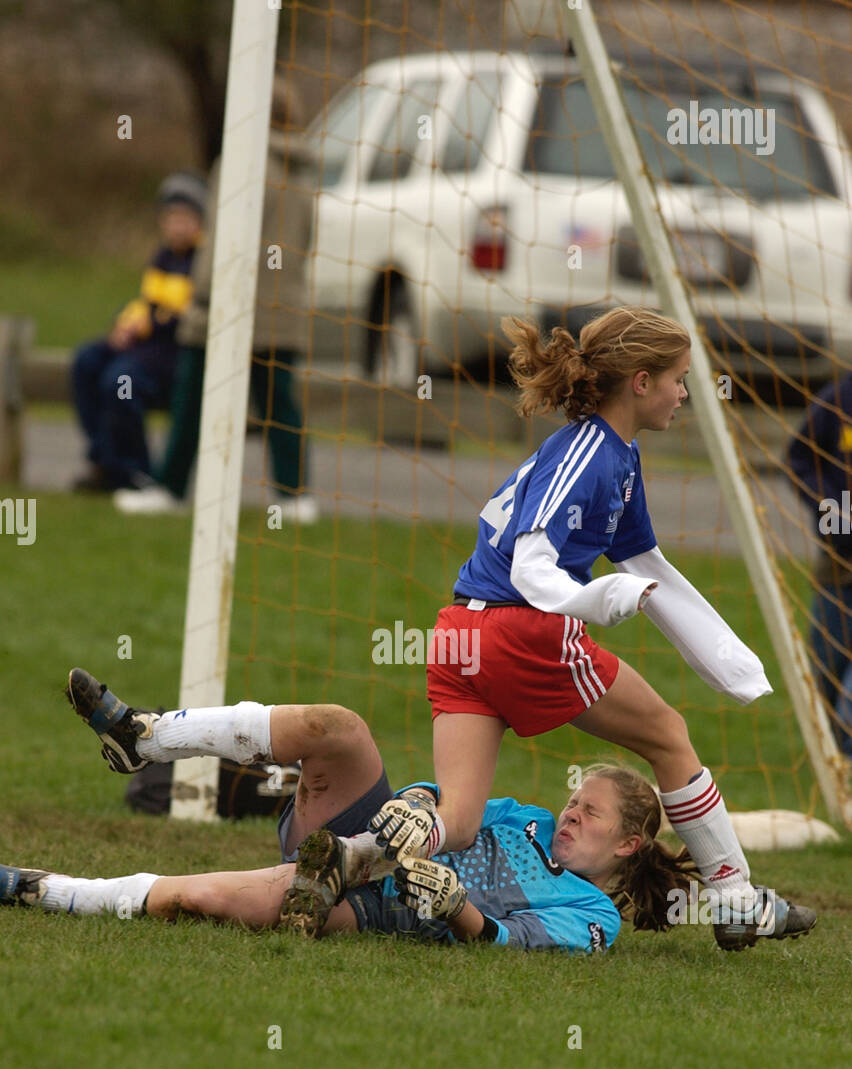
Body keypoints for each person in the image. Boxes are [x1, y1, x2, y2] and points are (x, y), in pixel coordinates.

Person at [365, 307, 817, 943]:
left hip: (459, 633)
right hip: (519, 633)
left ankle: (354, 856)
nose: (684, 393)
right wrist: (592, 599)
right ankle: (736, 899)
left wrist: (727, 660)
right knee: (667, 734)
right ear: (639, 381)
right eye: (678, 379)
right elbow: (533, 560)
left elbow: (646, 566)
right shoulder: (591, 455)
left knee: (458, 820)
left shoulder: (616, 456)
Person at [0, 669, 815, 952]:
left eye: (590, 815)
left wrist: (453, 904)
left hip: (380, 909)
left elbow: (511, 942)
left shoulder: (590, 913)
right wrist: (419, 804)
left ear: (634, 844)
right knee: (339, 730)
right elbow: (448, 804)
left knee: (203, 897)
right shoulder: (524, 818)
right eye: (573, 803)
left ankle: (40, 888)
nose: (568, 817)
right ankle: (148, 736)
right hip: (363, 836)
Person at [114, 76, 318, 522]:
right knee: (279, 404)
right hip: (283, 306)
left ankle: (169, 487)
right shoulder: (305, 168)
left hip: (227, 305)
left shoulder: (240, 160)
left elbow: (222, 240)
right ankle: (296, 496)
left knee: (191, 399)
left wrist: (201, 296)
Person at [70, 172, 207, 492]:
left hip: (174, 353)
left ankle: (137, 471)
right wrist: (124, 325)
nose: (177, 225)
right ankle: (106, 459)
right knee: (87, 360)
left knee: (120, 381)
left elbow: (184, 315)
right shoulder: (162, 257)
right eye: (171, 217)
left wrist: (146, 324)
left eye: (185, 218)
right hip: (145, 346)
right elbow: (148, 302)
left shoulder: (202, 261)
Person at [787, 374, 852, 759]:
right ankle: (832, 768)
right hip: (838, 572)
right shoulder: (839, 399)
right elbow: (799, 458)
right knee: (825, 676)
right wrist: (830, 506)